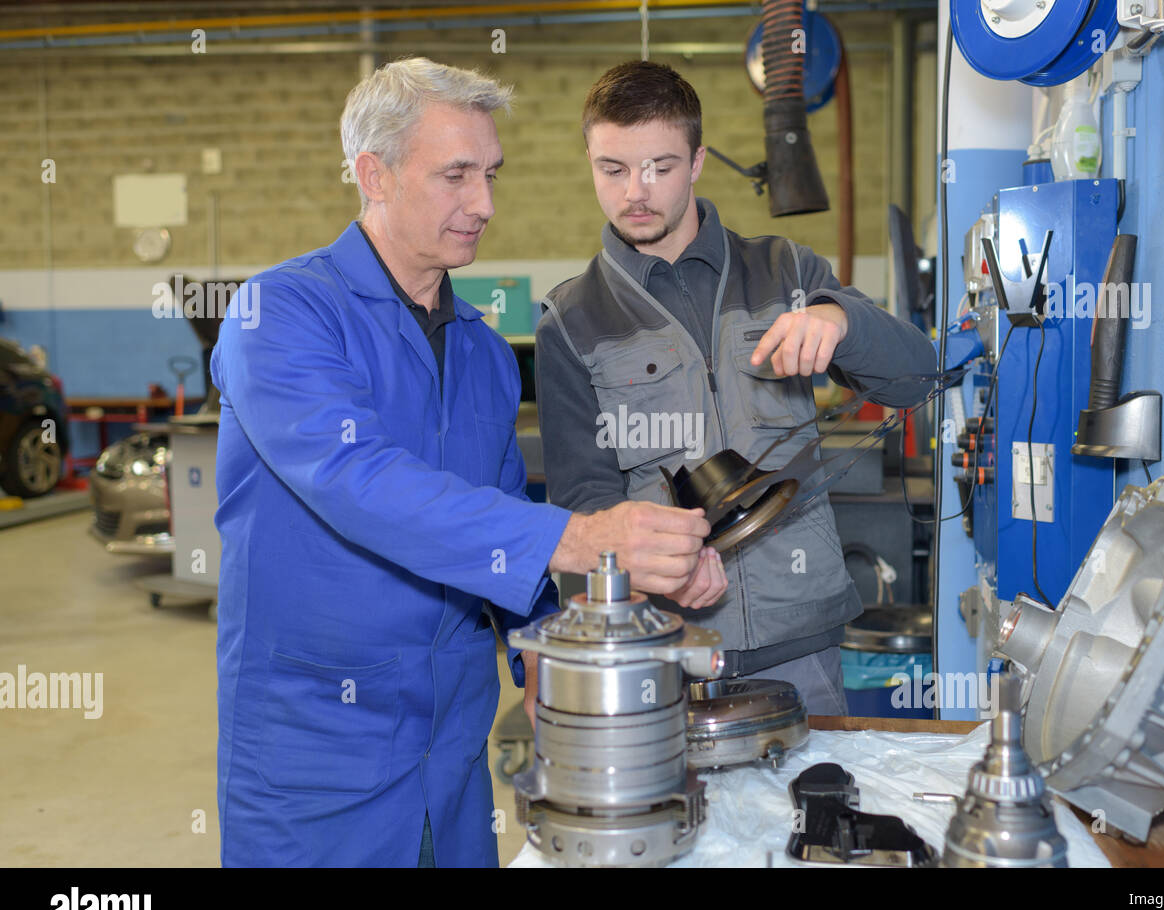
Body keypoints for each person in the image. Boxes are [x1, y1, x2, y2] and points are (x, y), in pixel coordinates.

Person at [210, 58, 715, 868]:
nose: (484, 204)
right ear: (373, 174)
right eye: (455, 175)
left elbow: (499, 530)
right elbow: (361, 482)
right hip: (316, 760)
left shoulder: (481, 350)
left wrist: (554, 663)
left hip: (452, 760)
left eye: (490, 174)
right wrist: (575, 536)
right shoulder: (284, 315)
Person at [535, 61, 937, 716]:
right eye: (612, 169)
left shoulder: (784, 271)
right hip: (666, 651)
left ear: (696, 161)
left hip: (802, 647)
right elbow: (583, 502)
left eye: (660, 167)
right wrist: (653, 567)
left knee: (816, 817)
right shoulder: (569, 321)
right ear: (589, 158)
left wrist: (841, 322)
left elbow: (918, 375)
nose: (636, 191)